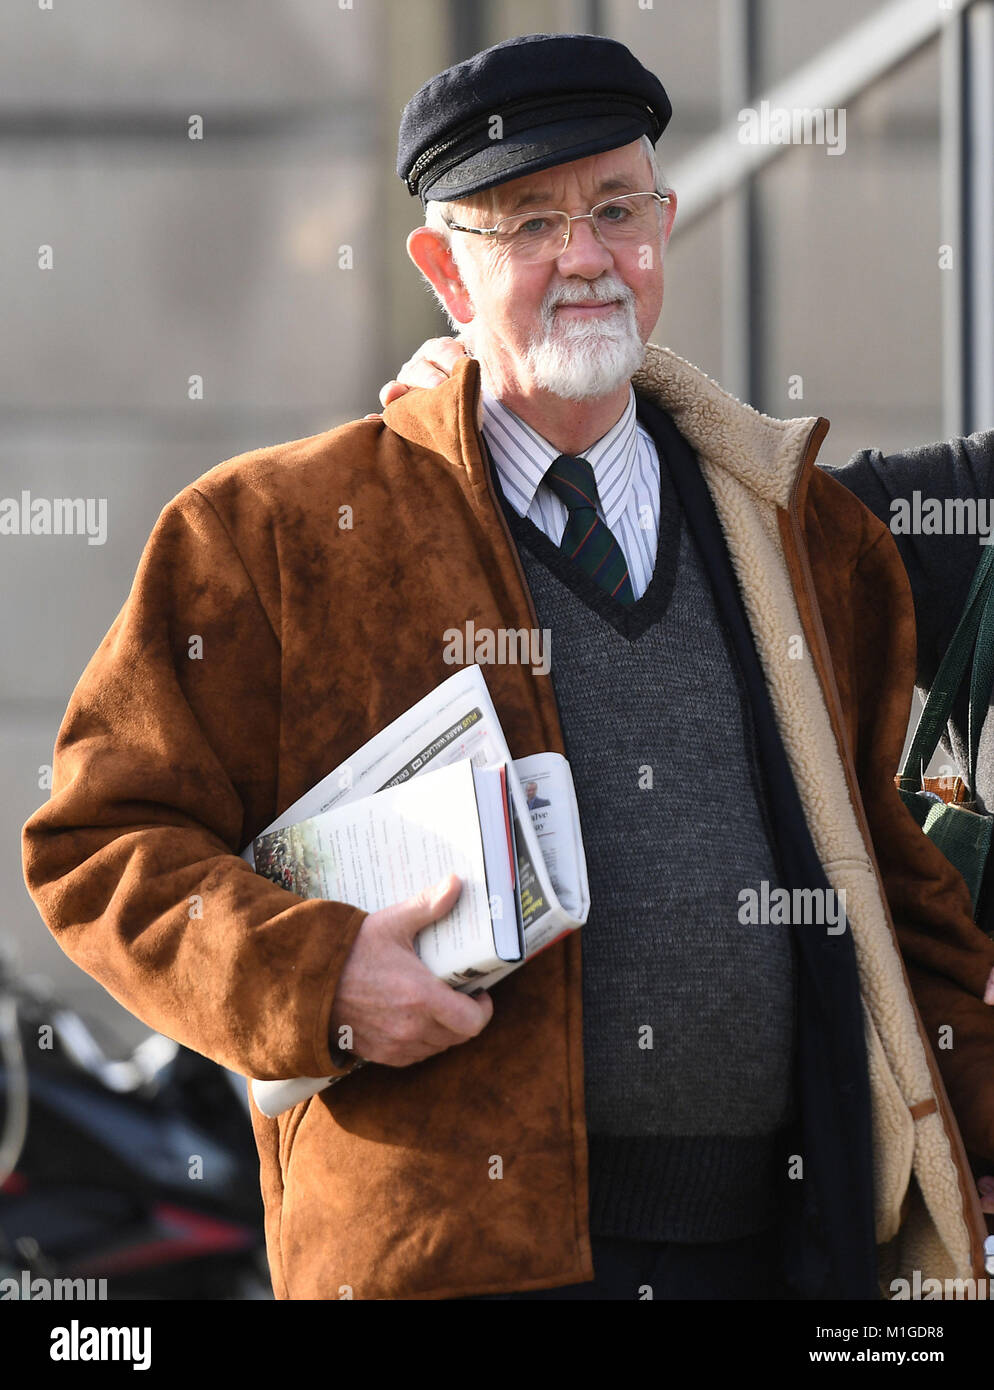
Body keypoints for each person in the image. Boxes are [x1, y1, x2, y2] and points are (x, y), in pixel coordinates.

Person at [20, 32, 994, 1301]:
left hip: (779, 1252)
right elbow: (98, 844)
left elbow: (894, 884)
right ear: (444, 269)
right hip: (454, 1262)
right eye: (527, 222)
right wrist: (323, 978)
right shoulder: (270, 532)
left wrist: (962, 1122)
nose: (583, 256)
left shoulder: (801, 531)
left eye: (613, 210)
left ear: (662, 227)